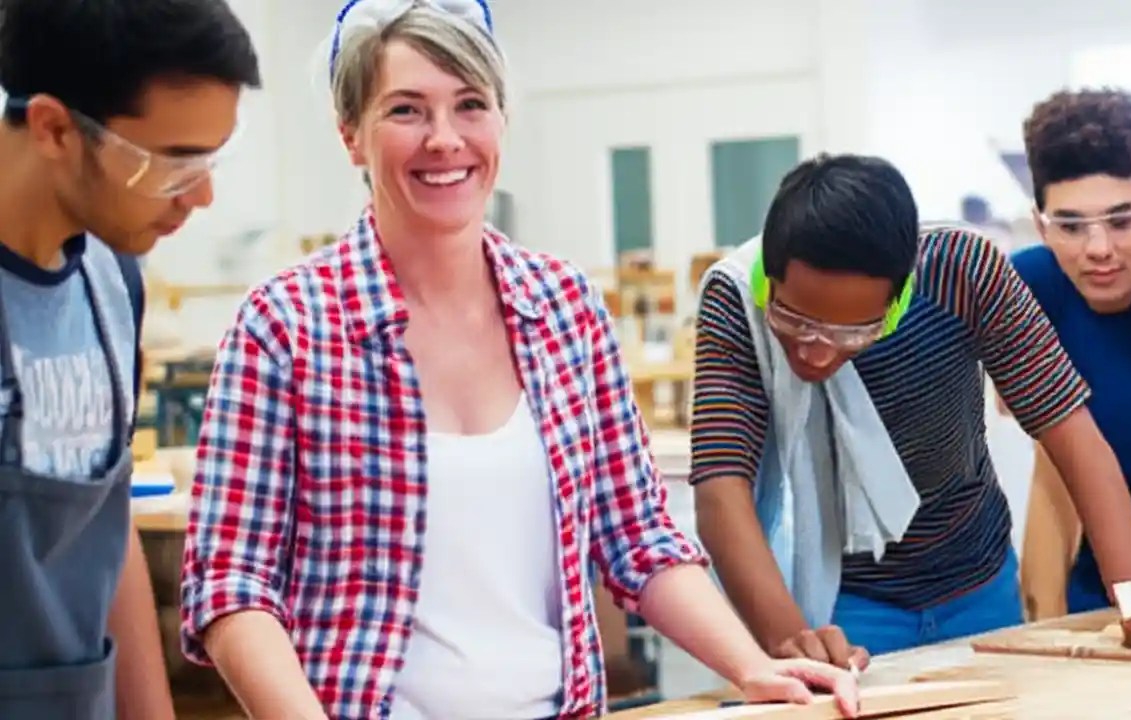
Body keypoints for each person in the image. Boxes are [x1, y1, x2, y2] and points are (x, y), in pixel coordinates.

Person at [178, 3, 859, 719]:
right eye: (406, 110)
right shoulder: (285, 325)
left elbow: (640, 540)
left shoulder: (565, 308)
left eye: (470, 105)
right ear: (350, 134)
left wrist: (754, 669)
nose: (445, 138)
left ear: (500, 121)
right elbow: (232, 583)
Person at [690, 152, 1131, 663]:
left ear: (898, 299)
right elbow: (720, 490)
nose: (818, 352)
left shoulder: (962, 270)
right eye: (796, 322)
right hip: (838, 603)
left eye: (851, 333)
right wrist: (793, 643)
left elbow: (1075, 439)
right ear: (769, 281)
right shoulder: (736, 299)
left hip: (976, 586)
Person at [0, 1, 260, 718]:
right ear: (54, 129)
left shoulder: (111, 283)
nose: (200, 196)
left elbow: (105, 539)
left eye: (209, 161)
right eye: (173, 162)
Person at [1012, 88, 1131, 617]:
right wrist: (1043, 619)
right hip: (1088, 578)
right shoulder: (1030, 283)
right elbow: (1049, 468)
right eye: (1071, 226)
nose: (1098, 250)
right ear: (1040, 224)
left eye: (1121, 222)